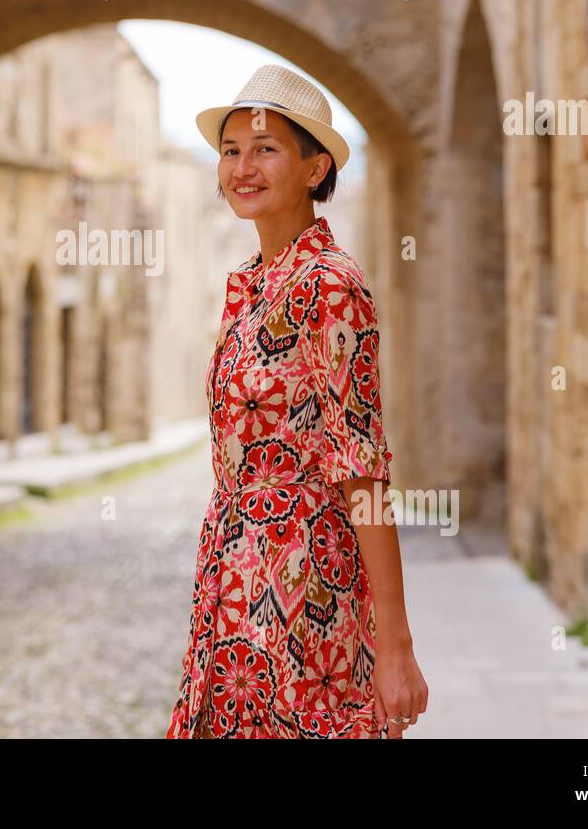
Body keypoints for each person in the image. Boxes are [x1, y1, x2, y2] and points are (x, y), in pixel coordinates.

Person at [166, 64, 428, 739]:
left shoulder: (330, 287)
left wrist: (394, 644)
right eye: (230, 151)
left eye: (265, 148)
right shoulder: (252, 287)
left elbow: (363, 469)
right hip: (230, 596)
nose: (242, 167)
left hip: (306, 600)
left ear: (315, 169)